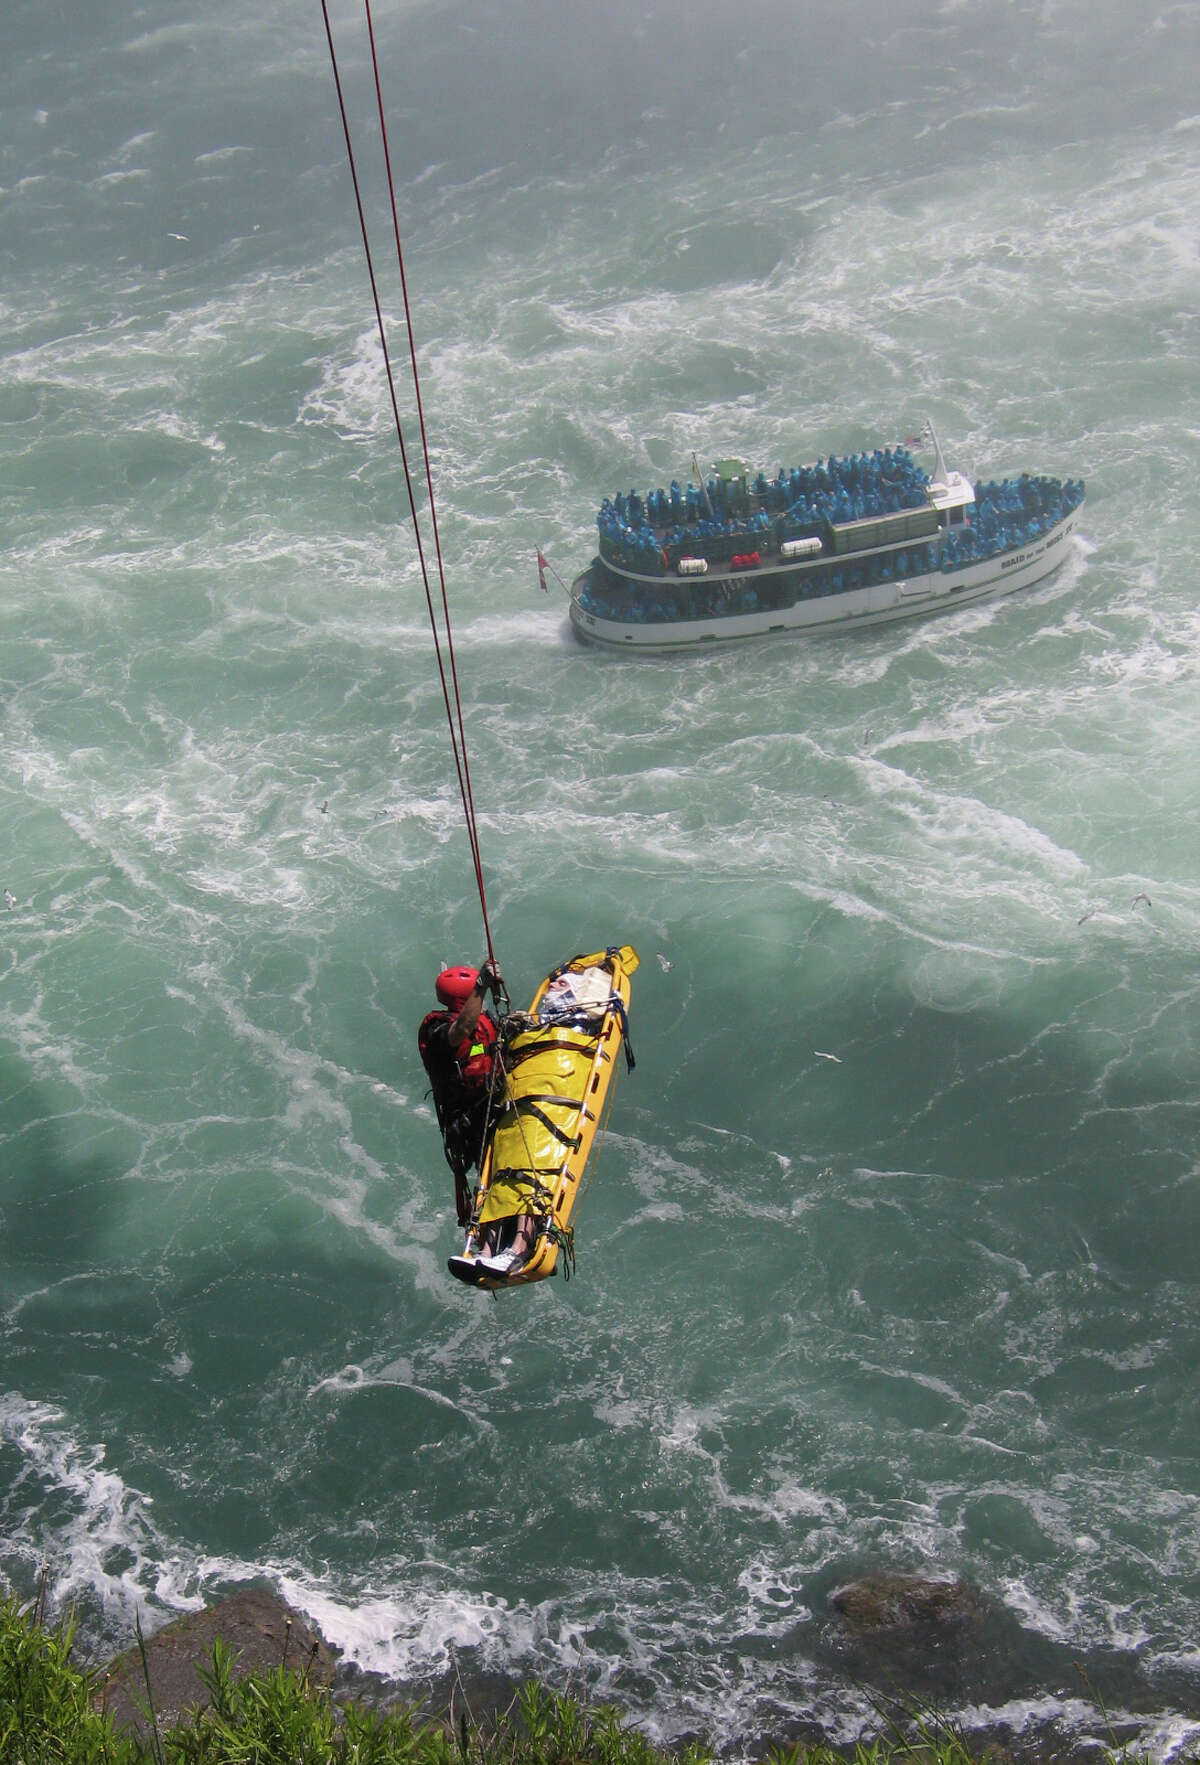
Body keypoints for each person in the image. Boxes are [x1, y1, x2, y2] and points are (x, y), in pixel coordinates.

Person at [418, 960, 504, 1228]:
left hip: (493, 1100)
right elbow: (461, 1031)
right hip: (468, 1118)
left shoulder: (482, 1022)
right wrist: (481, 986)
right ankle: (491, 1227)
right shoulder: (437, 1032)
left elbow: (486, 1041)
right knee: (489, 1170)